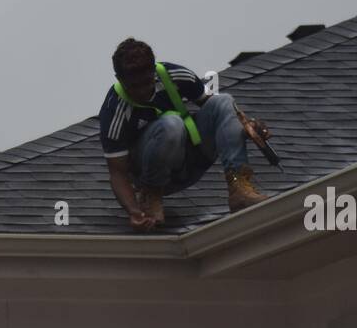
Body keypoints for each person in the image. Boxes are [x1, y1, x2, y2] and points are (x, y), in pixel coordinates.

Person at [98, 37, 268, 233]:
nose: (143, 91)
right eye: (134, 86)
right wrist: (134, 212)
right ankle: (151, 196)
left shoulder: (176, 76)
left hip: (193, 158)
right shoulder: (115, 110)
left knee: (224, 101)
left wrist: (250, 126)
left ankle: (240, 188)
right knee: (172, 124)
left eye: (147, 82)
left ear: (154, 70)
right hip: (151, 177)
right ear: (120, 79)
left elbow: (221, 115)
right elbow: (117, 173)